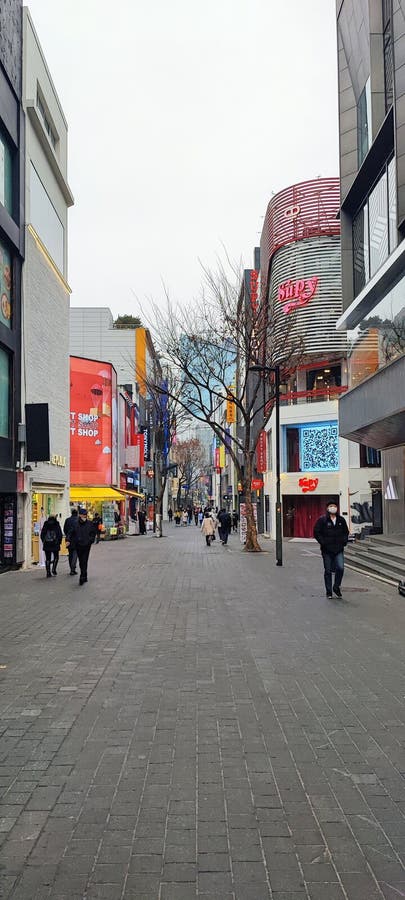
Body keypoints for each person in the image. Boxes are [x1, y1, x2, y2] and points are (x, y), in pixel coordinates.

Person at [314, 500, 349, 599]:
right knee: (328, 570)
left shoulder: (341, 520)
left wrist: (344, 541)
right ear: (327, 508)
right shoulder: (322, 520)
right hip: (327, 550)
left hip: (338, 549)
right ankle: (329, 591)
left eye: (334, 506)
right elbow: (316, 532)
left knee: (340, 568)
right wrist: (323, 542)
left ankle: (336, 586)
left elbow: (345, 532)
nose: (333, 507)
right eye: (331, 506)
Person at [72, 508, 96, 585]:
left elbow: (93, 532)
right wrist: (69, 540)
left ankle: (82, 576)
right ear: (80, 515)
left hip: (86, 545)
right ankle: (84, 574)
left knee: (84, 560)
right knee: (81, 561)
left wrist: (90, 540)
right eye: (83, 515)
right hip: (78, 545)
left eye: (85, 515)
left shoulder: (89, 523)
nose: (84, 516)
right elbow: (71, 532)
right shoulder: (75, 523)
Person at [64, 508, 79, 575]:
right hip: (76, 539)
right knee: (75, 554)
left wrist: (67, 536)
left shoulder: (67, 520)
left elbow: (65, 529)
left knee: (70, 554)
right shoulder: (79, 520)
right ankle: (73, 569)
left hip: (69, 539)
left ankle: (71, 568)